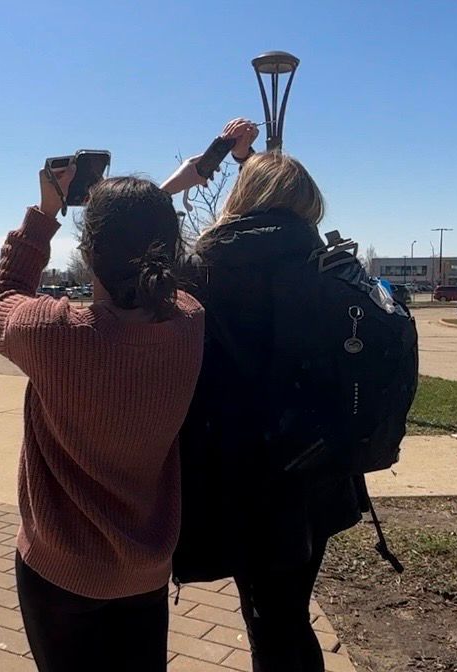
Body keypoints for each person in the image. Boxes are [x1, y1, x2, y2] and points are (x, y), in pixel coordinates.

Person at [0, 163, 205, 672]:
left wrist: (45, 212)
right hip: (146, 568)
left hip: (60, 567)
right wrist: (151, 204)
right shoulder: (189, 323)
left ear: (86, 255)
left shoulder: (51, 331)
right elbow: (160, 280)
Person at [165, 119, 367, 672]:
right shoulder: (330, 266)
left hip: (246, 474)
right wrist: (248, 158)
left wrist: (173, 187)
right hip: (322, 469)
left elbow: (129, 240)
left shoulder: (206, 268)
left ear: (241, 198)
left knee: (272, 623)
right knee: (287, 615)